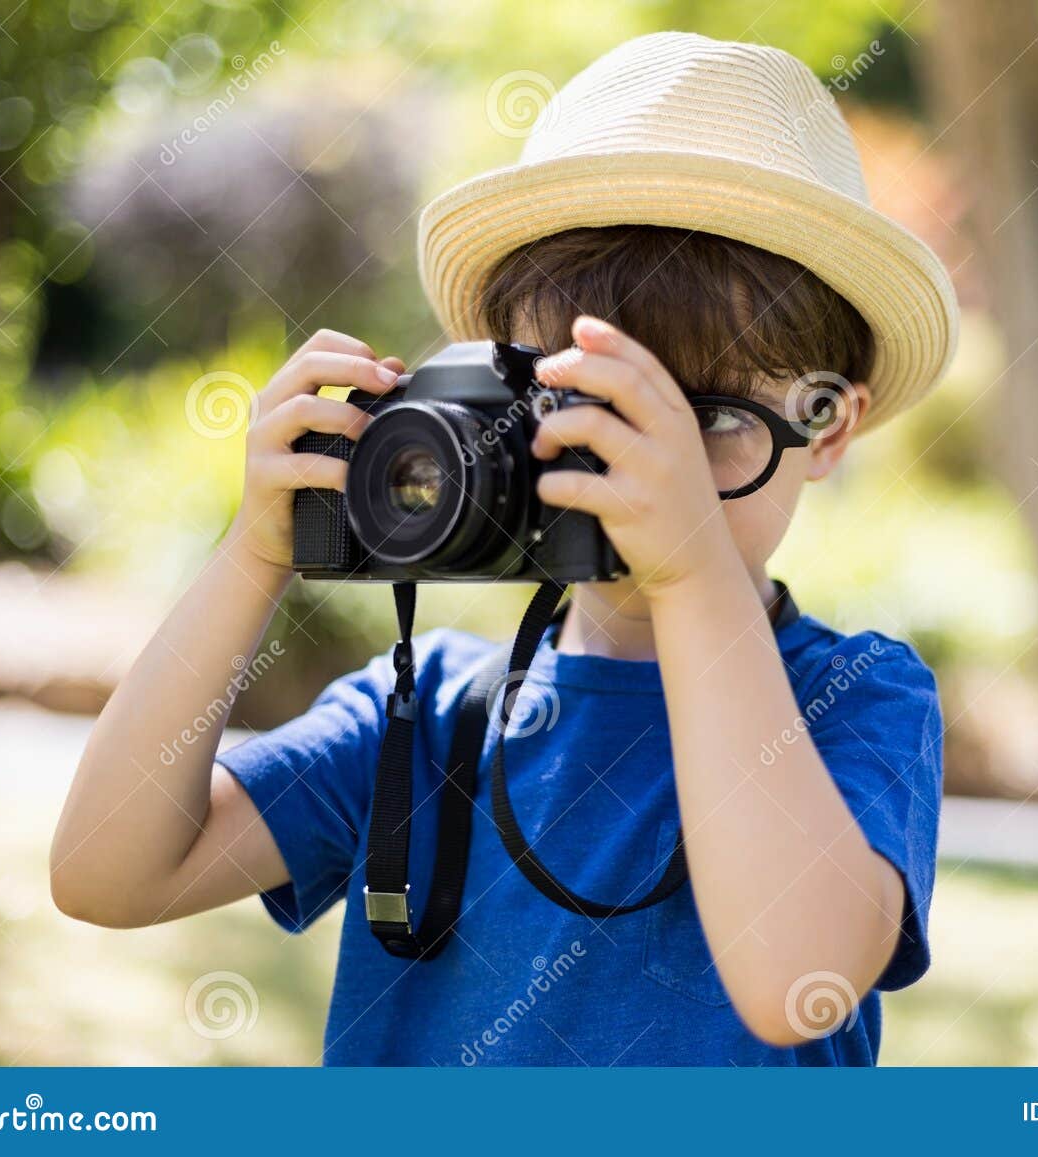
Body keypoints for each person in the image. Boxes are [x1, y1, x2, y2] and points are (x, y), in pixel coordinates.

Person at [53, 30, 959, 1066]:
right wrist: (255, 551)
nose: (636, 470)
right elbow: (105, 873)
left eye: (696, 419)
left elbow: (794, 986)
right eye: (588, 410)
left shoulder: (856, 698)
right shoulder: (425, 717)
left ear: (828, 427)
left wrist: (694, 571)